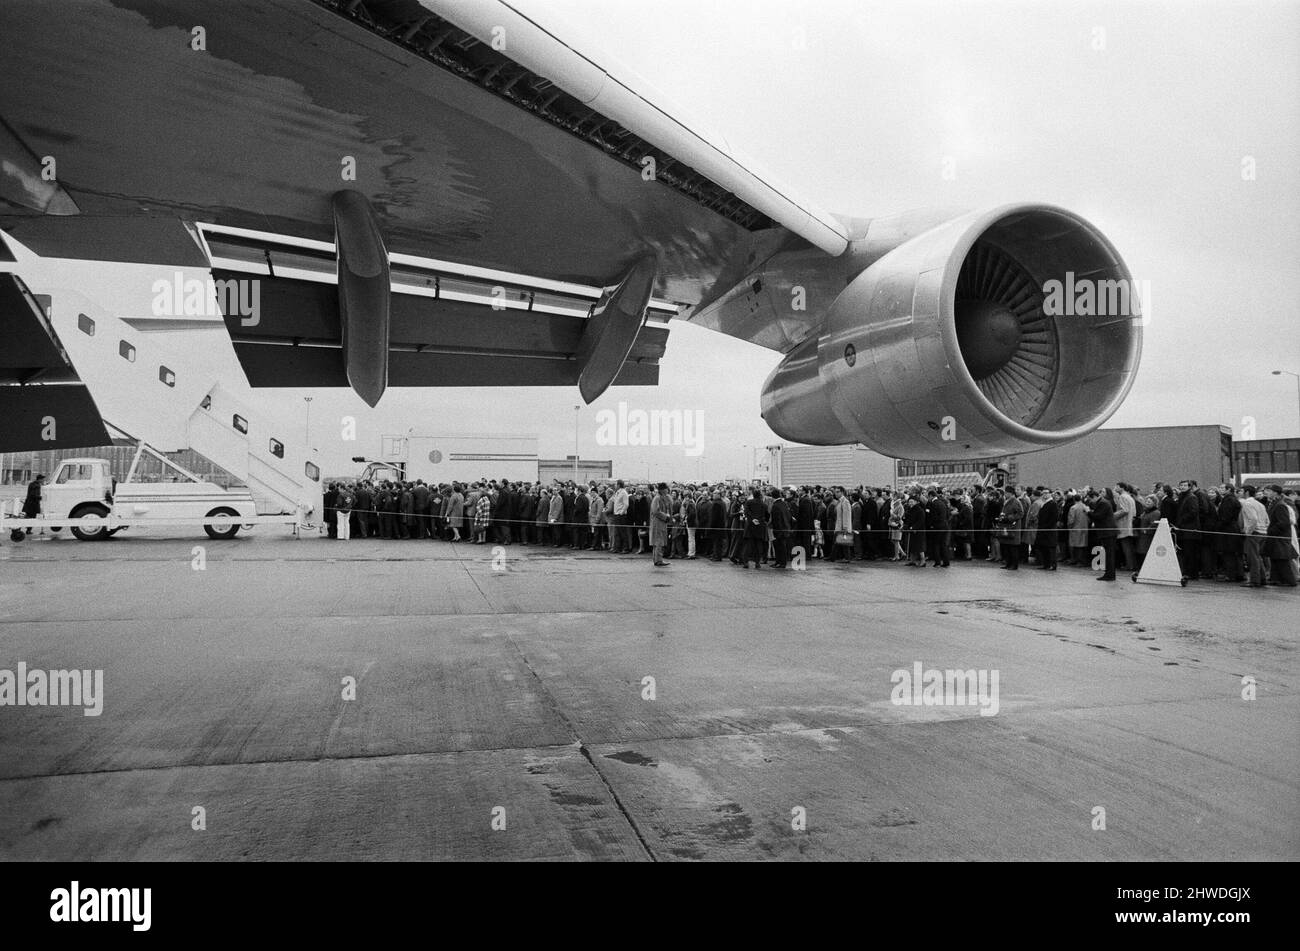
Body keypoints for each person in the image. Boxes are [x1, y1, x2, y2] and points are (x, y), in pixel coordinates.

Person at [1263, 484, 1298, 586]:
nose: (1266, 493)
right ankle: (1276, 579)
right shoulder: (1273, 503)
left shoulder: (1280, 505)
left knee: (1282, 559)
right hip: (1275, 536)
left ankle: (1290, 581)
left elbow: (1283, 522)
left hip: (1280, 537)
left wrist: (1271, 530)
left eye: (1269, 491)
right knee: (1275, 558)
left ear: (1275, 493)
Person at [1239, 485, 1269, 587]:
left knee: (1253, 557)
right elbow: (1267, 520)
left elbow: (1253, 519)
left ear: (1246, 492)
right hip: (1263, 532)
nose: (1240, 492)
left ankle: (1254, 580)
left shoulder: (1247, 503)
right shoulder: (1260, 504)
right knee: (1258, 556)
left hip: (1254, 533)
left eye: (1242, 491)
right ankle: (1262, 578)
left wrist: (1248, 531)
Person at [1087, 488, 1116, 580]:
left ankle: (1110, 574)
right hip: (1107, 532)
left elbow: (1098, 516)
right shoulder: (1103, 502)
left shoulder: (1103, 503)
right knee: (1108, 553)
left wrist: (1088, 511)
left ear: (1094, 497)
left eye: (1091, 499)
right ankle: (1109, 573)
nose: (1091, 501)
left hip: (1107, 532)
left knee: (1109, 554)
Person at [740, 487, 769, 569]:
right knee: (758, 546)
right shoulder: (764, 505)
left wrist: (752, 519)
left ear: (753, 495)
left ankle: (746, 562)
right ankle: (757, 563)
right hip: (760, 527)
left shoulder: (748, 502)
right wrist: (759, 520)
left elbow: (746, 512)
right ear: (760, 495)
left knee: (747, 546)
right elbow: (767, 516)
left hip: (749, 526)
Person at [999, 485, 1025, 570]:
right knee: (1007, 546)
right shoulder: (1007, 501)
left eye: (1006, 493)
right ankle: (1008, 563)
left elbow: (1020, 513)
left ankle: (1014, 565)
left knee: (1013, 548)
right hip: (1006, 527)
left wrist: (1009, 517)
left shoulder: (1015, 501)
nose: (1005, 494)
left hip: (1013, 528)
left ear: (1010, 493)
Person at [649, 482, 673, 567]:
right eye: (666, 489)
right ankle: (658, 560)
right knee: (659, 542)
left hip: (661, 523)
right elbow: (656, 511)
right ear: (663, 490)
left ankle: (657, 559)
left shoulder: (661, 498)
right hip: (658, 523)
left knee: (658, 542)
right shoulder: (657, 498)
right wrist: (666, 517)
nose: (668, 490)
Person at [1036, 488, 1059, 570]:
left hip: (1049, 530)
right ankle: (1046, 564)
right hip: (1043, 529)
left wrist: (1046, 527)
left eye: (1046, 493)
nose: (1044, 494)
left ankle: (1053, 565)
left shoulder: (1053, 503)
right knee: (1044, 548)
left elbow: (1055, 518)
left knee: (1051, 548)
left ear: (1050, 494)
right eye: (1043, 493)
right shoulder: (1044, 503)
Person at [770, 488, 792, 568]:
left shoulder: (775, 506)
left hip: (779, 529)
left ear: (772, 496)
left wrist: (776, 529)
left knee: (779, 546)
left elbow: (776, 520)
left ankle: (781, 562)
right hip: (785, 528)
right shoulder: (784, 503)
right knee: (782, 546)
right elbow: (789, 516)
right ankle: (779, 562)